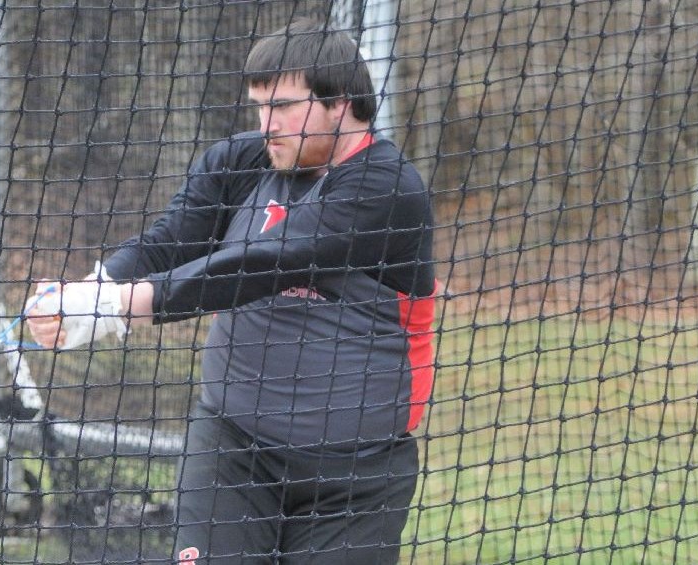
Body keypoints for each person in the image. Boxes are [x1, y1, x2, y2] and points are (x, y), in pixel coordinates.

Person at [25, 17, 436, 564]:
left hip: (354, 474)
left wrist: (113, 308)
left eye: (284, 106)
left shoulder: (384, 185)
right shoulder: (241, 162)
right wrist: (91, 291)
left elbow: (260, 265)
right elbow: (169, 243)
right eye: (260, 107)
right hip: (233, 450)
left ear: (340, 103)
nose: (268, 125)